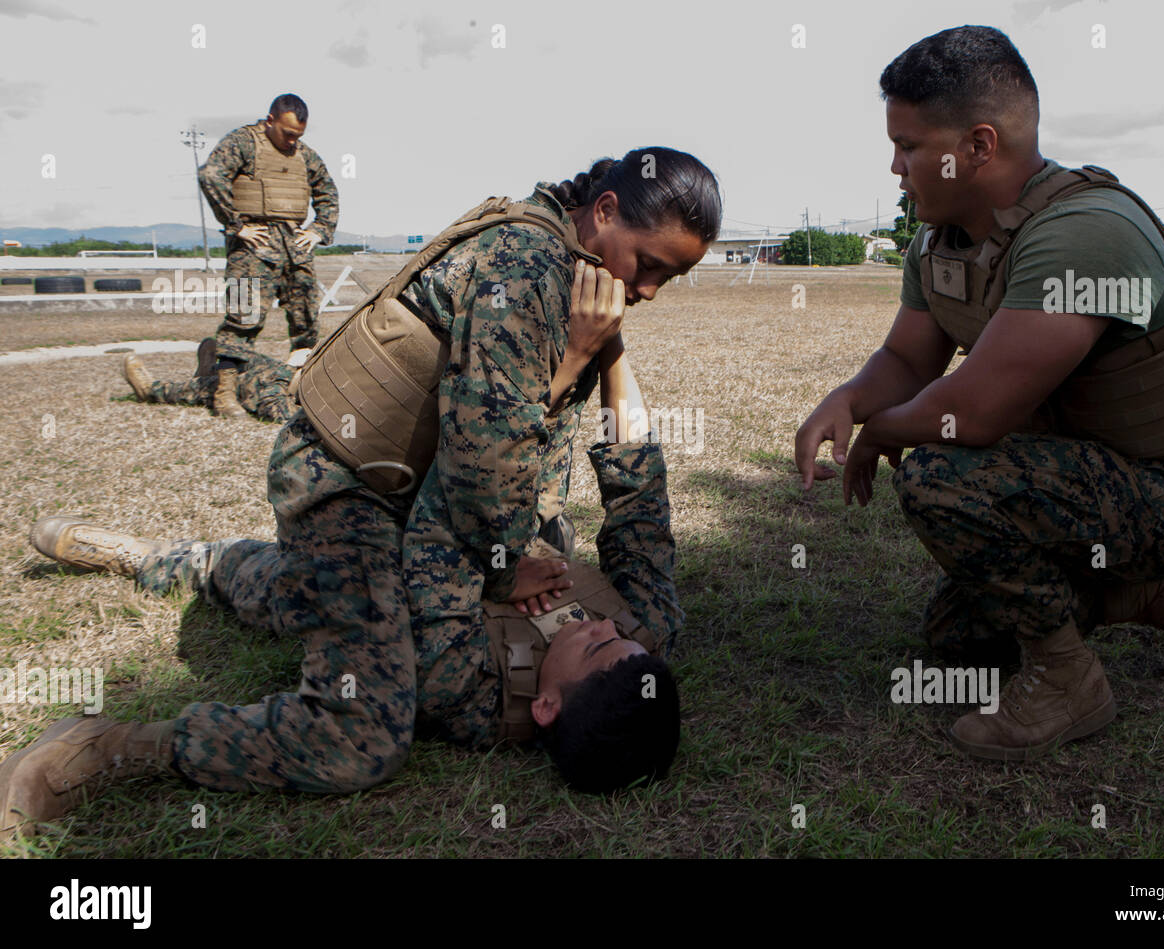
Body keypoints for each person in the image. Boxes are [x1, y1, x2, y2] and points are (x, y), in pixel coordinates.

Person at [1, 148, 719, 841]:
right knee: (339, 662)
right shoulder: (527, 267)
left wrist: (582, 362)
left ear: (546, 705)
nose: (648, 290)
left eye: (666, 278)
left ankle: (123, 698)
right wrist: (599, 356)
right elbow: (632, 504)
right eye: (648, 266)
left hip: (436, 511)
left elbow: (464, 492)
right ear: (602, 211)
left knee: (344, 691)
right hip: (352, 480)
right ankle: (152, 631)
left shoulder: (469, 693)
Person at [794, 26, 1164, 762]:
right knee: (959, 638)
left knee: (938, 476)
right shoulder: (942, 237)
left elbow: (972, 413)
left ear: (978, 145)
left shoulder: (1086, 235)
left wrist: (887, 432)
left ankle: (1067, 676)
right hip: (1086, 474)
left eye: (910, 146)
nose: (895, 166)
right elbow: (905, 355)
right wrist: (849, 401)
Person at [198, 93, 338, 417]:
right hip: (254, 245)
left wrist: (318, 230)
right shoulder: (244, 142)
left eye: (298, 135)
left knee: (305, 318)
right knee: (243, 316)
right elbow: (211, 175)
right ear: (271, 120)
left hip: (294, 245)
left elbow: (328, 193)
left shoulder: (306, 155)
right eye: (288, 133)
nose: (292, 140)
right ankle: (224, 395)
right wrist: (235, 226)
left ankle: (300, 387)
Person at [121, 338, 300, 423]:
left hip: (283, 391)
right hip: (292, 371)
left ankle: (152, 390)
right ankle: (214, 369)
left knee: (217, 387)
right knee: (238, 356)